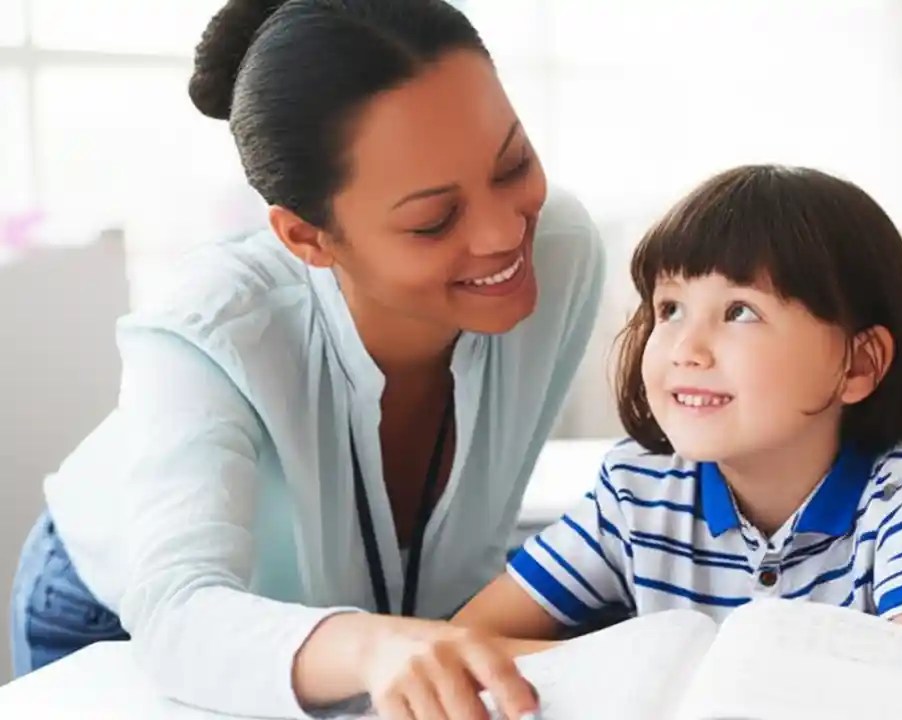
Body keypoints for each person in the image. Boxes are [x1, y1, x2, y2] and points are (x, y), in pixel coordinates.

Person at [8, 1, 604, 719]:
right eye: (433, 220)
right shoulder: (210, 326)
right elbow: (178, 617)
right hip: (125, 617)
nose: (506, 230)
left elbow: (460, 544)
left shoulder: (561, 251)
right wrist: (378, 647)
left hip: (379, 628)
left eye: (513, 164)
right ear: (306, 237)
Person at [453, 165, 902, 640]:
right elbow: (462, 646)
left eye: (740, 312)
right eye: (670, 308)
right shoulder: (638, 489)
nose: (687, 349)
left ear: (859, 364)